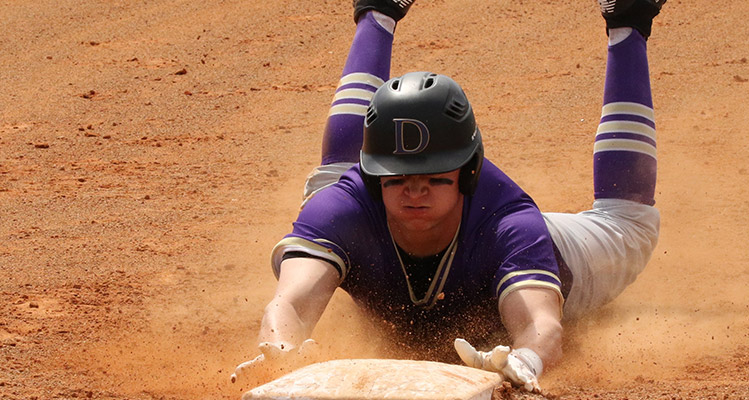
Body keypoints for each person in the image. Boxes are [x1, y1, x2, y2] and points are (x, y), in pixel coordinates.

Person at [233, 0, 665, 391]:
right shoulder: (340, 208)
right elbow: (290, 301)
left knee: (629, 223)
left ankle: (627, 20)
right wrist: (279, 350)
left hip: (557, 247)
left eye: (435, 177)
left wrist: (527, 358)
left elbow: (542, 324)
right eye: (396, 176)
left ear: (468, 171)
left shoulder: (511, 225)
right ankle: (377, 9)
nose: (415, 189)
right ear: (372, 176)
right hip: (361, 198)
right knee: (326, 187)